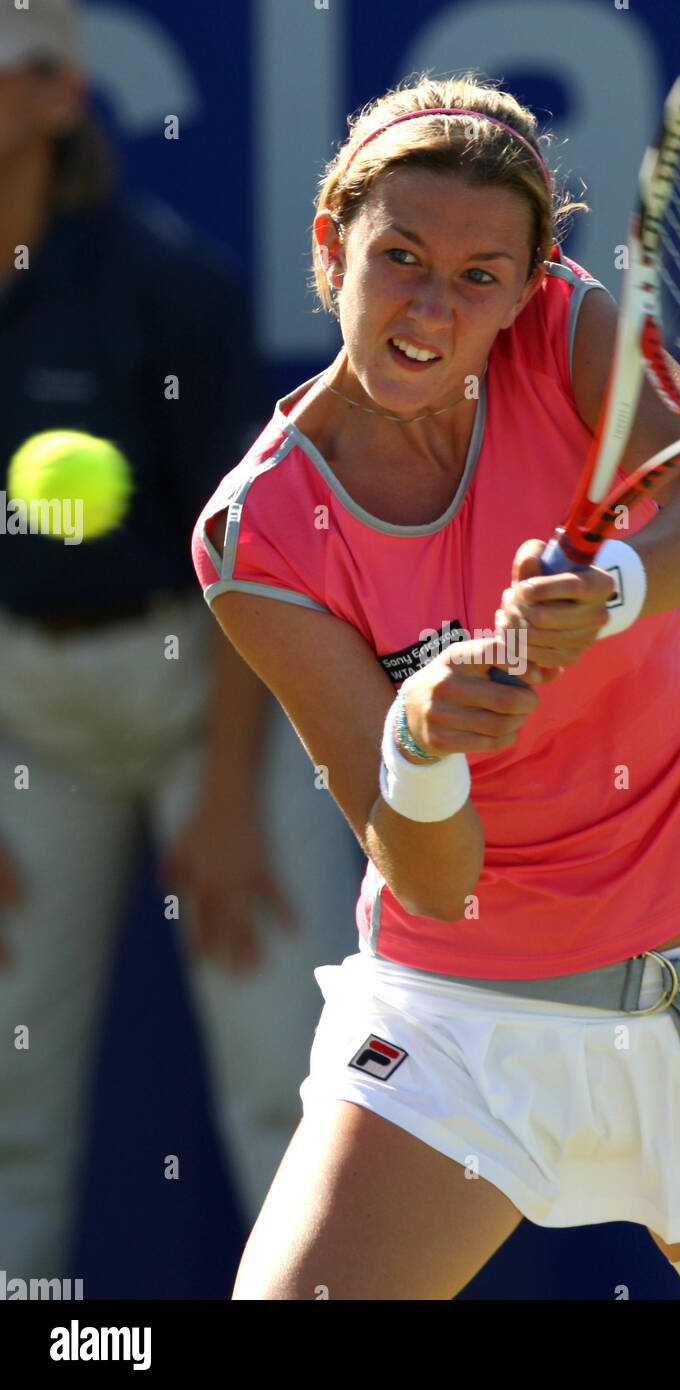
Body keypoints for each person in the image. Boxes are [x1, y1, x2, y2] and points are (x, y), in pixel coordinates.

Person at [192, 73, 680, 1302]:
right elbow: (430, 870)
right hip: (456, 1029)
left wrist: (619, 585)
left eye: (481, 276)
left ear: (527, 288)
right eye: (399, 255)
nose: (431, 305)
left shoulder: (570, 332)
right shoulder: (256, 534)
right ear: (332, 245)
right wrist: (420, 743)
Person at [0, 0, 366, 1284]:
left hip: (224, 692)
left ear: (51, 98)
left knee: (293, 1074)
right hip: (21, 719)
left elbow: (257, 573)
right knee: (7, 1089)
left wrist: (225, 799)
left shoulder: (168, 288)